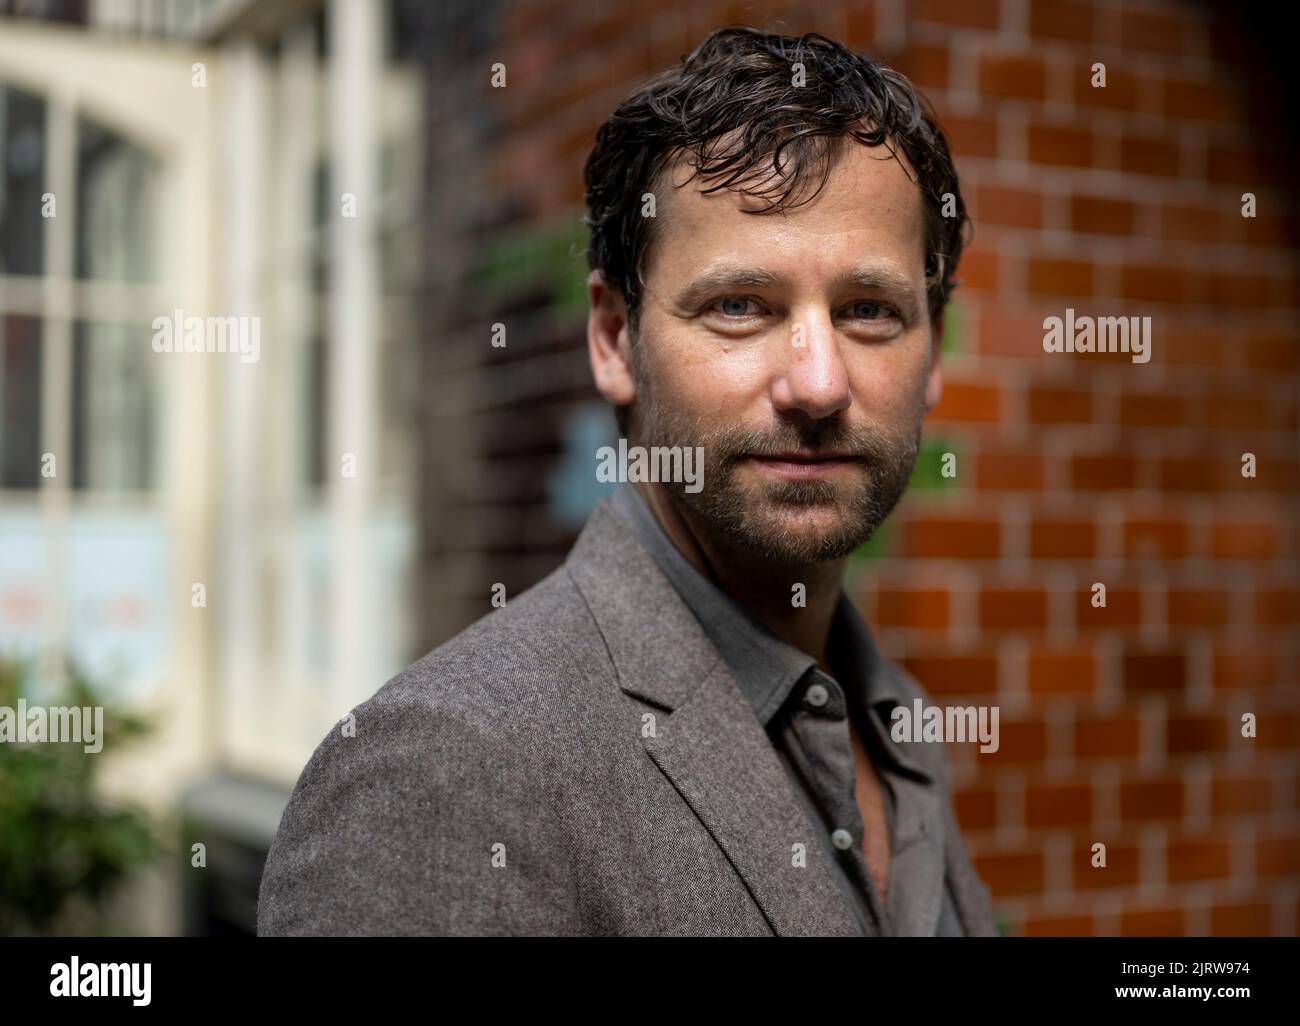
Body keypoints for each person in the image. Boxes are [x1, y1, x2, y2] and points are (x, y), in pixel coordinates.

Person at [258, 24, 996, 937]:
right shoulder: (444, 770)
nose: (819, 382)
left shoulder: (899, 724)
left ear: (931, 355)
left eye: (870, 311)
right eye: (739, 306)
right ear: (614, 340)